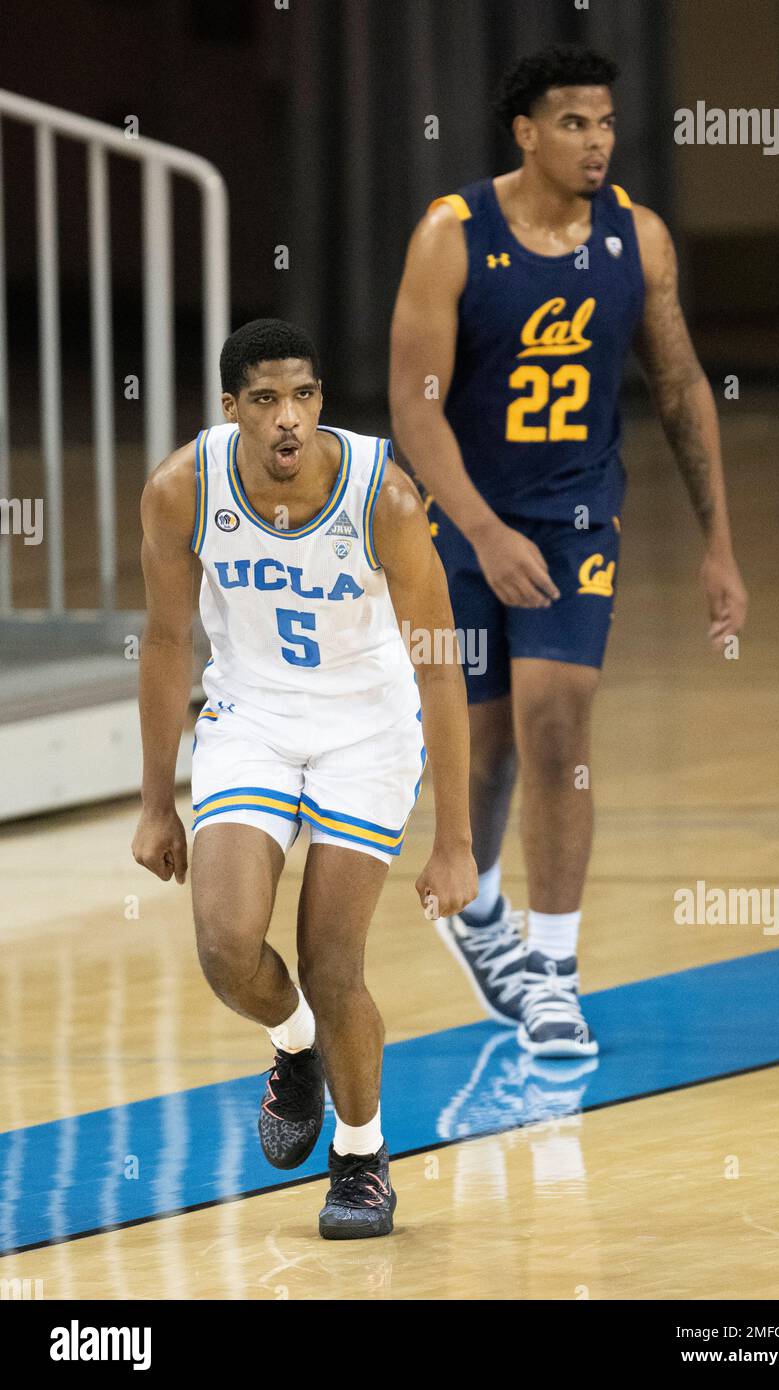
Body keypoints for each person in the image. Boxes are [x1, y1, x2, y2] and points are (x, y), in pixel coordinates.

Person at [389, 45, 747, 1057]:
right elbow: (415, 413)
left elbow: (678, 389)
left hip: (576, 517)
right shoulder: (451, 236)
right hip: (462, 521)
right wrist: (483, 531)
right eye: (573, 123)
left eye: (603, 123)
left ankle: (552, 970)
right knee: (486, 744)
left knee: (556, 726)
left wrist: (718, 545)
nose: (595, 142)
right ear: (524, 132)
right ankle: (481, 903)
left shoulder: (637, 239)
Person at [132, 318, 477, 1239]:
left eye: (305, 395)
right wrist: (156, 800)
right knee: (224, 946)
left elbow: (440, 664)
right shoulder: (182, 490)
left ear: (321, 400)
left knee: (333, 962)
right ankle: (294, 1049)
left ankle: (361, 1156)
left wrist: (455, 841)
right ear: (231, 409)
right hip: (251, 719)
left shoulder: (384, 498)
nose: (289, 418)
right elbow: (167, 643)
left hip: (367, 731)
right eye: (267, 400)